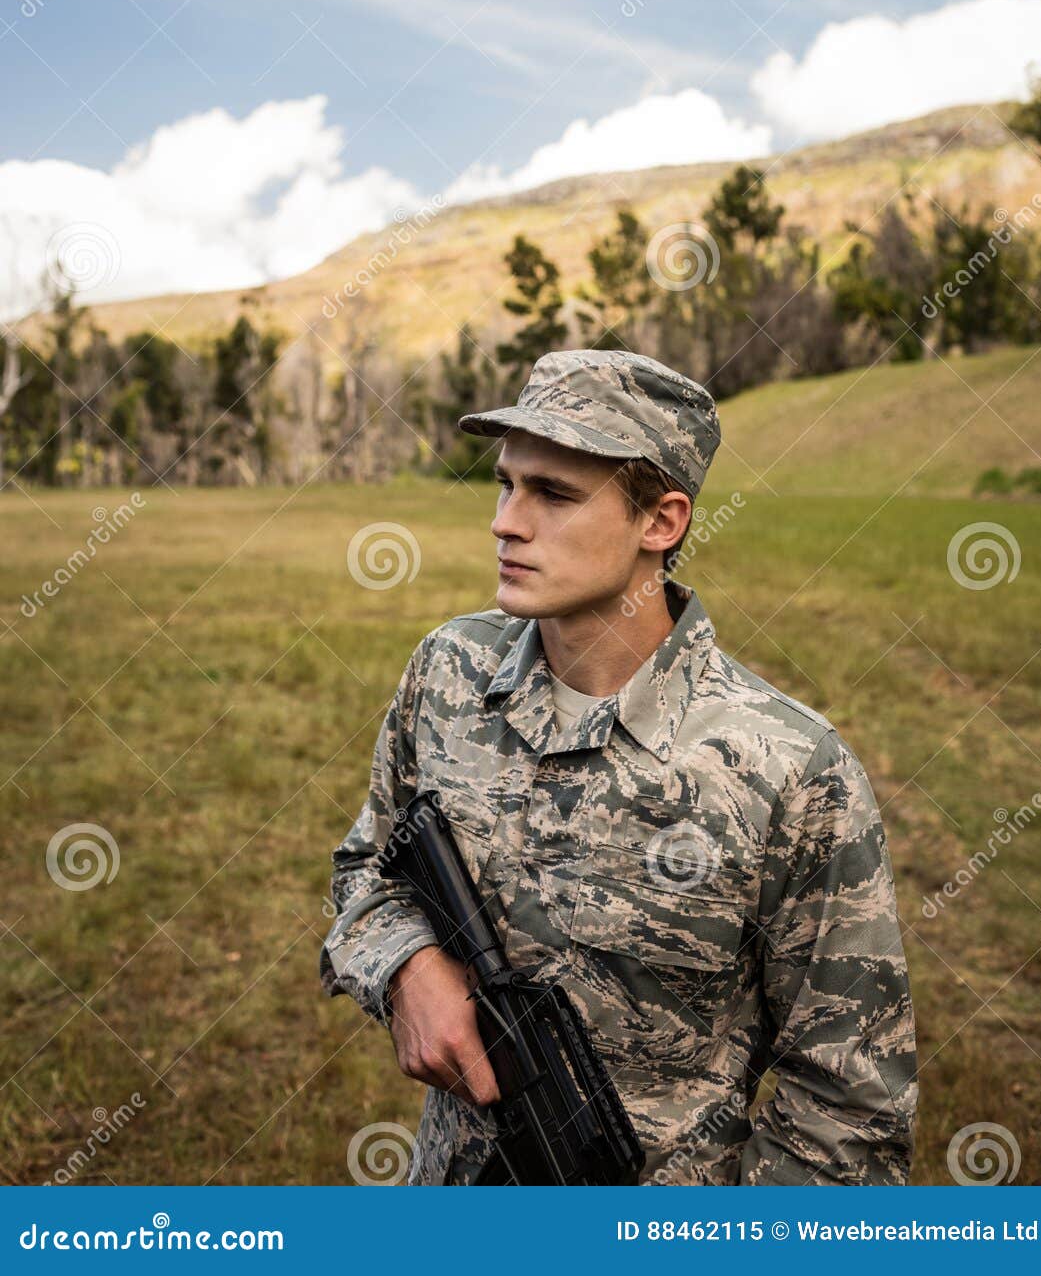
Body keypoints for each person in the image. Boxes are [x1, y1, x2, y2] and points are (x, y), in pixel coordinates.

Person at [319, 348, 918, 1185]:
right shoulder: (447, 672)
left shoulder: (789, 770)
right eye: (506, 484)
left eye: (554, 494)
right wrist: (406, 967)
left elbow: (850, 1107)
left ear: (661, 523)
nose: (505, 521)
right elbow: (365, 872)